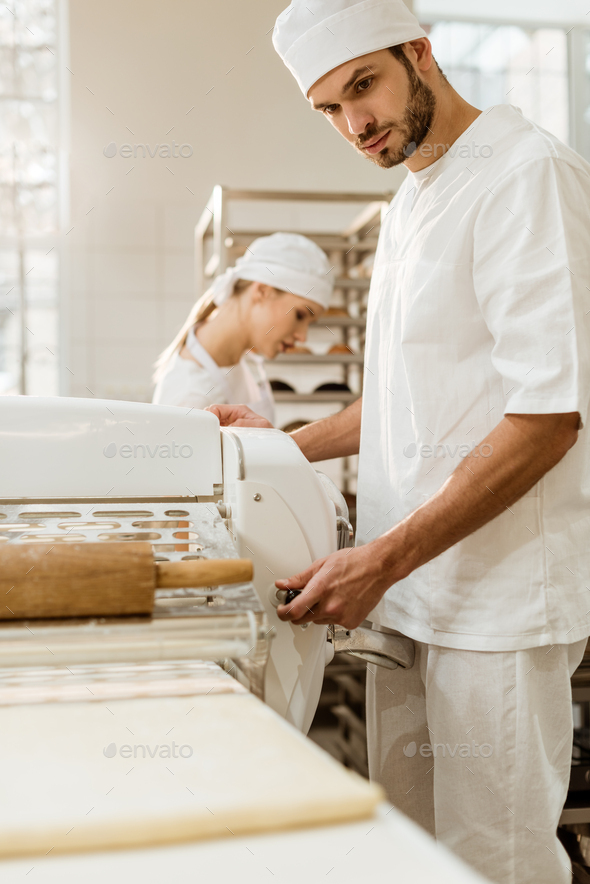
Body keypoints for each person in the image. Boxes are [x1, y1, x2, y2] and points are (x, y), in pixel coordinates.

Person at [208, 2, 590, 882]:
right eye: (330, 109)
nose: (355, 124)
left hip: (494, 607)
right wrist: (282, 447)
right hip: (413, 596)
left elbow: (549, 416)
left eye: (364, 87)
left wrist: (381, 559)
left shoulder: (525, 174)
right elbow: (402, 403)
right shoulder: (416, 199)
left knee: (493, 862)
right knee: (417, 858)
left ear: (420, 50)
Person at [152, 233, 332, 420]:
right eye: (300, 315)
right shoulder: (189, 399)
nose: (303, 337)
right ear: (262, 291)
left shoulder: (242, 359)